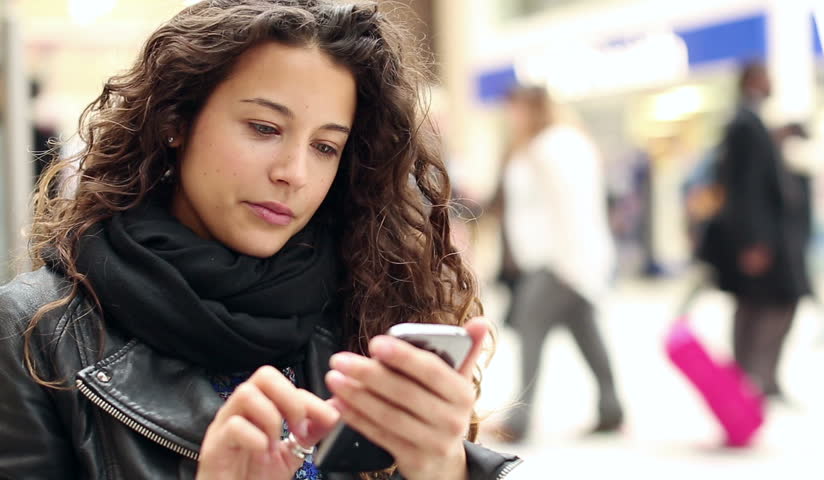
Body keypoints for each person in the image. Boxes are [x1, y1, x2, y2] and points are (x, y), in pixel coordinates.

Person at [0, 1, 520, 479]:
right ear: (177, 121)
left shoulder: (368, 299)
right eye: (264, 128)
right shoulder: (35, 332)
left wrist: (443, 466)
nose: (293, 172)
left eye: (324, 146)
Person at [494, 86, 624, 441]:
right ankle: (611, 408)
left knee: (529, 325)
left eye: (516, 109)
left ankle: (520, 420)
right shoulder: (539, 145)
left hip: (559, 261)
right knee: (585, 331)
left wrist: (572, 265)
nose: (511, 117)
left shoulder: (556, 146)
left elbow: (574, 208)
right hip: (557, 261)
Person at [698, 62, 811, 400]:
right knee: (759, 305)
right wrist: (752, 241)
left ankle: (758, 378)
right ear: (752, 80)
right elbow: (742, 188)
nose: (772, 82)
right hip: (760, 238)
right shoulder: (743, 123)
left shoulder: (755, 121)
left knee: (768, 303)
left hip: (771, 235)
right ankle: (750, 379)